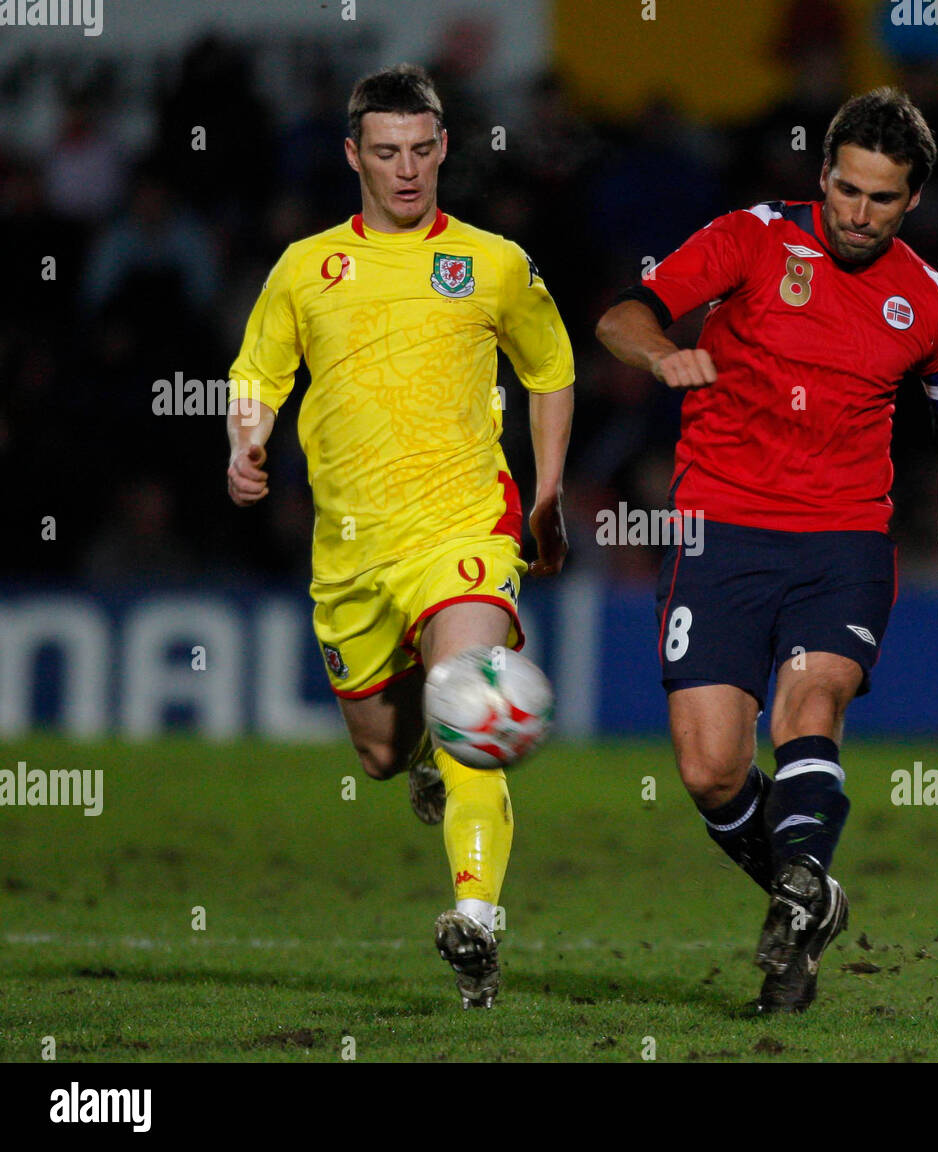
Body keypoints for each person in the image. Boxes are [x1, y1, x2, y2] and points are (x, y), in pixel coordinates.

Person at [595, 88, 938, 1013]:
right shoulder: (751, 238)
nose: (859, 213)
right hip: (721, 527)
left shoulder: (932, 307)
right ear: (823, 176)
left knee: (810, 702)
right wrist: (662, 354)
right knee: (709, 769)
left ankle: (803, 879)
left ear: (913, 203)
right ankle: (806, 894)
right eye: (848, 189)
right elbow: (623, 313)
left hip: (843, 539)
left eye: (882, 199)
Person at [226, 64, 574, 1008]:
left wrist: (545, 490)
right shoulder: (305, 266)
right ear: (354, 156)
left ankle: (477, 922)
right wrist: (245, 443)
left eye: (423, 150)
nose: (408, 170)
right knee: (380, 753)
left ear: (445, 148)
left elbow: (550, 367)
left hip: (466, 526)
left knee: (468, 699)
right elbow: (257, 372)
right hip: (351, 555)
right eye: (387, 152)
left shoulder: (493, 261)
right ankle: (419, 756)